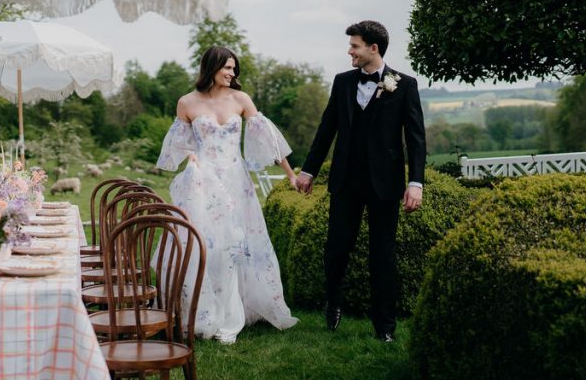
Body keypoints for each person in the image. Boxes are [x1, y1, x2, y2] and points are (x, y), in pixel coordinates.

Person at [156, 46, 299, 344]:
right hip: (204, 184)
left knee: (235, 243)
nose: (233, 73)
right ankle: (203, 309)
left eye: (234, 69)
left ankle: (233, 314)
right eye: (228, 68)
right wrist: (191, 158)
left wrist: (290, 174)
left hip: (236, 181)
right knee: (207, 243)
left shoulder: (241, 99)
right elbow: (180, 147)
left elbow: (267, 139)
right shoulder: (187, 103)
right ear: (212, 67)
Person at [295, 20, 425, 342]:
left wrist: (416, 182)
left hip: (385, 184)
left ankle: (385, 327)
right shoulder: (342, 82)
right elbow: (327, 128)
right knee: (337, 248)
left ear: (373, 48)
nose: (349, 51)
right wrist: (308, 171)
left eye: (354, 46)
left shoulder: (404, 84)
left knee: (382, 254)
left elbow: (416, 138)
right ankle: (334, 301)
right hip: (346, 181)